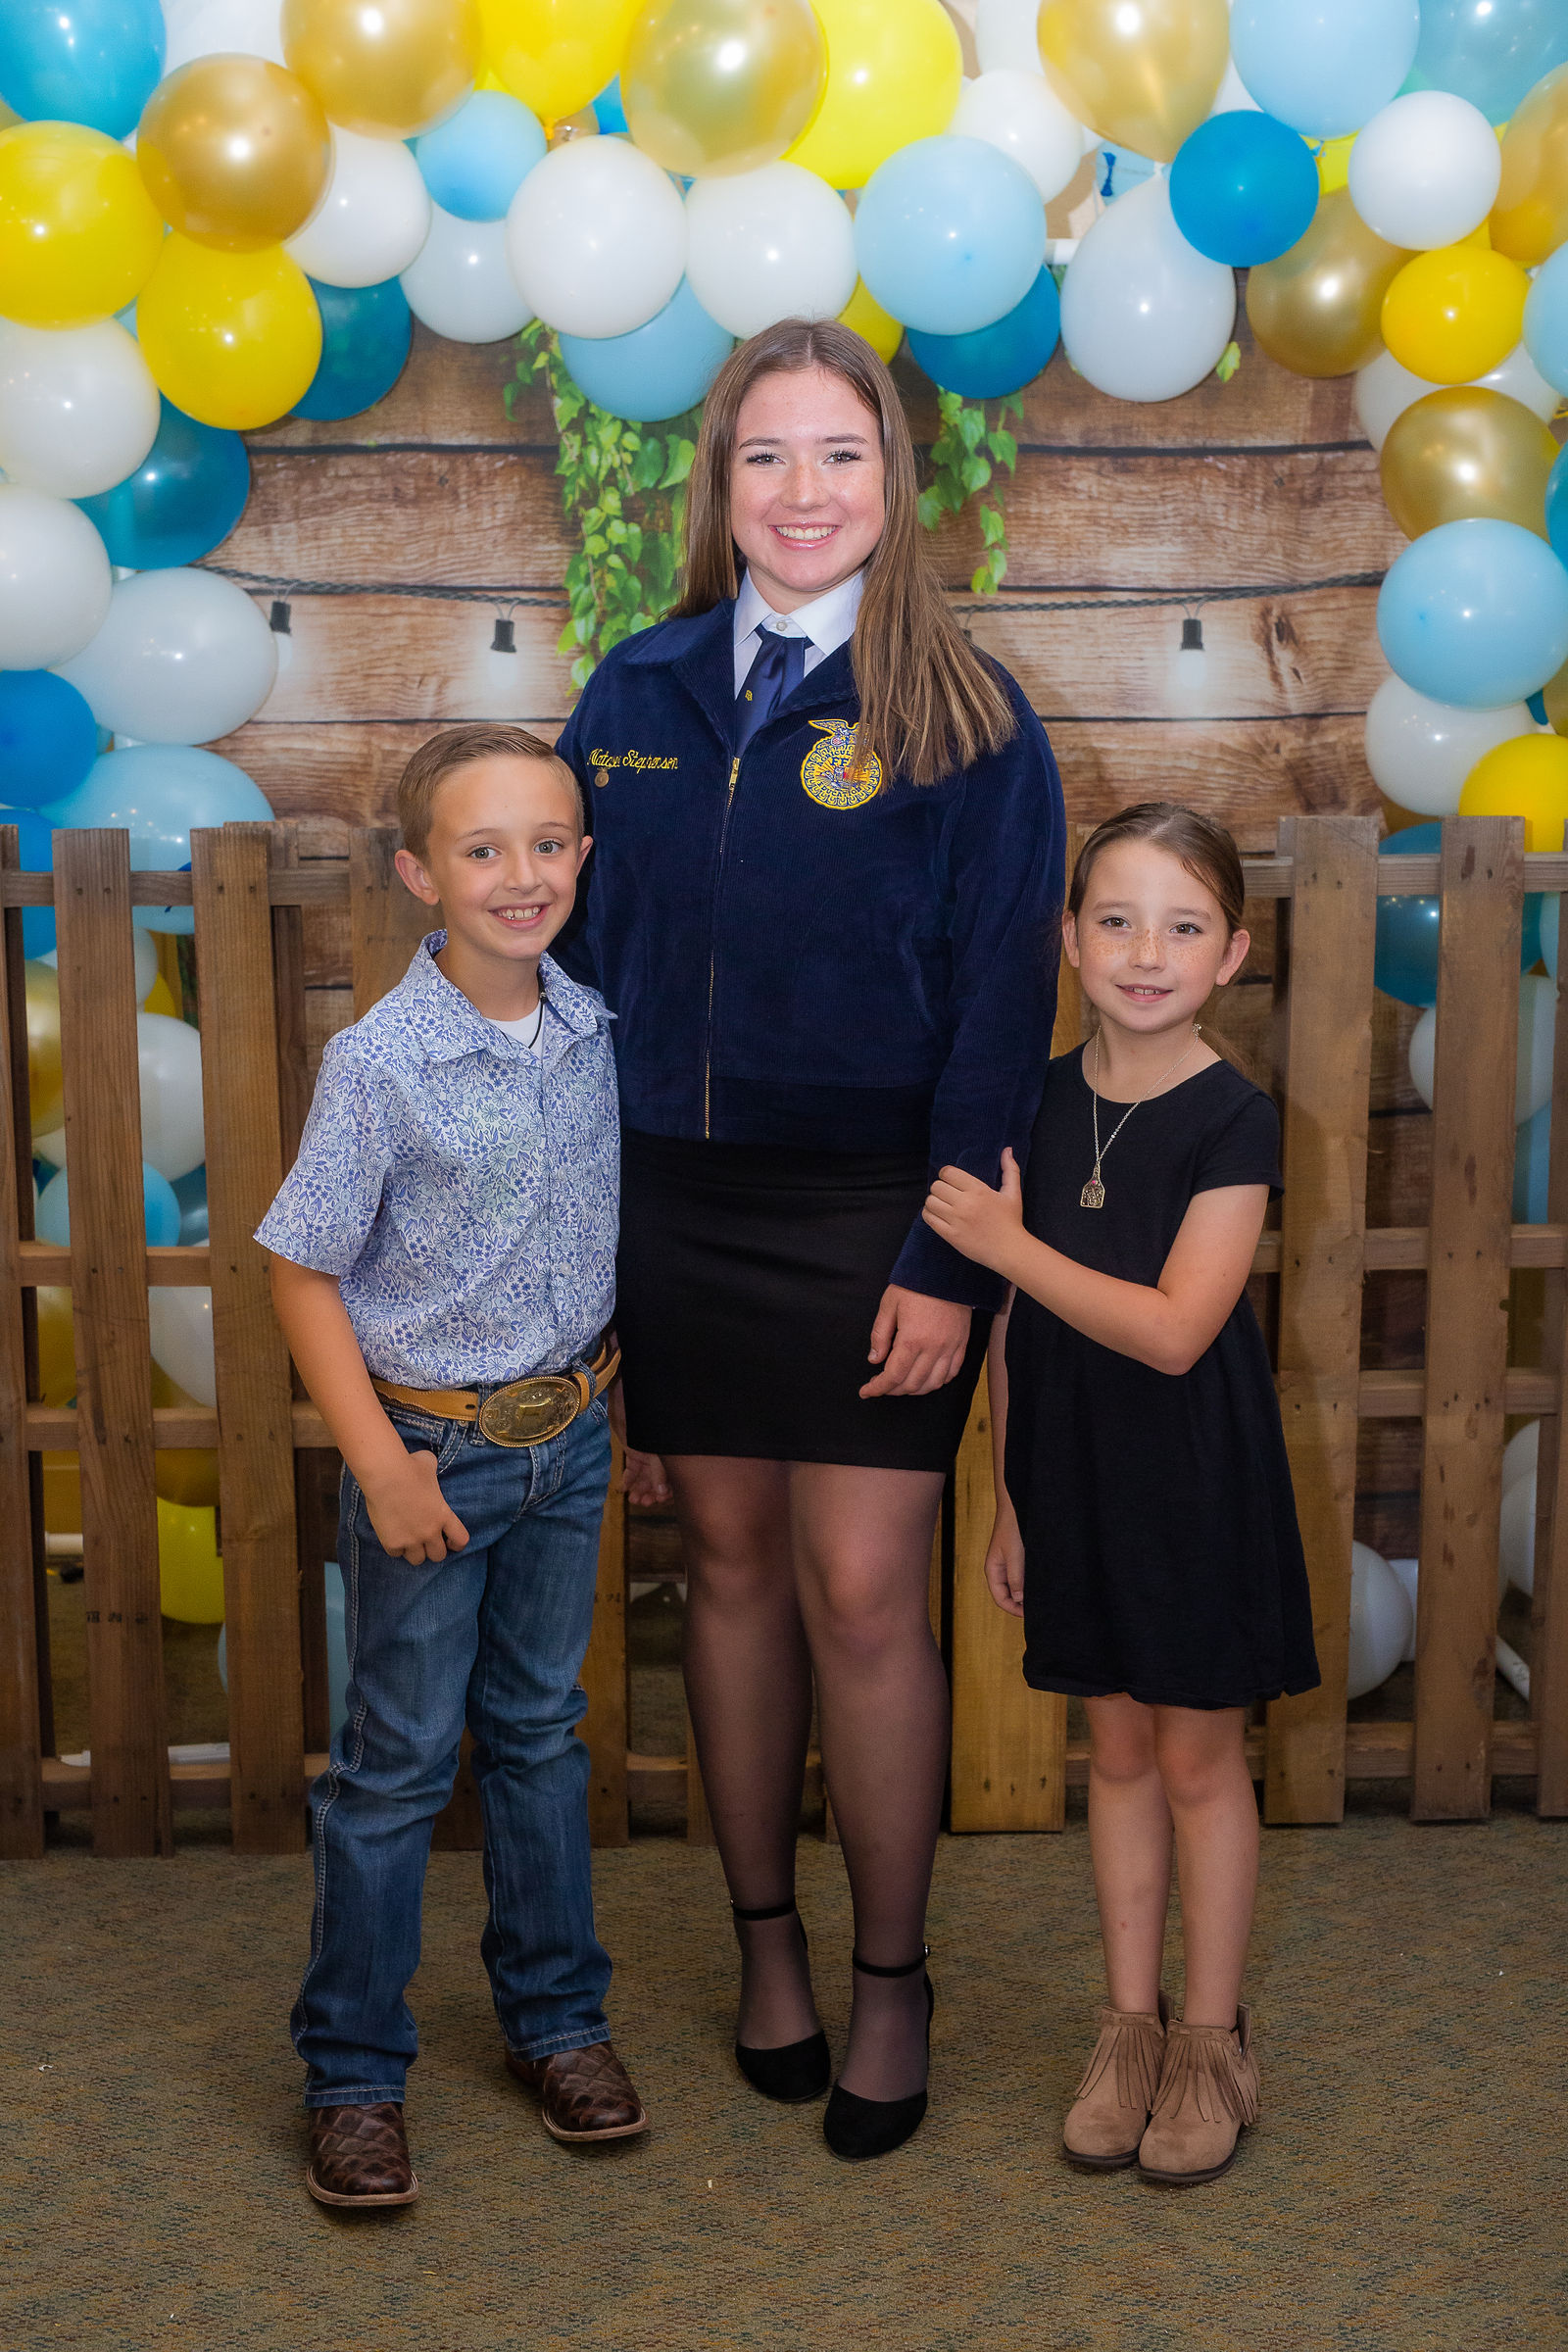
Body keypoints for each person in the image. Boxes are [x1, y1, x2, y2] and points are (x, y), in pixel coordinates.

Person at [554, 318, 1064, 2160]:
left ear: (893, 483)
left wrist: (949, 1262)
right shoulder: (637, 691)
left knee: (863, 1592)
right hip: (673, 1210)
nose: (800, 493)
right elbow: (566, 989)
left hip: (877, 1219)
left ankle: (889, 1977)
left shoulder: (974, 719)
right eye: (764, 457)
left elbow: (1005, 1009)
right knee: (733, 1576)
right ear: (721, 484)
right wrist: (580, 1267)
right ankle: (765, 1940)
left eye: (837, 455)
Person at [258, 723, 647, 2211]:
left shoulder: (596, 1033)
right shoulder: (380, 1065)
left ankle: (557, 2022)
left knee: (543, 1734)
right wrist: (385, 1466)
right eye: (482, 849)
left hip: (572, 1446)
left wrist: (623, 1414)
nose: (521, 874)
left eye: (549, 844)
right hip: (430, 1454)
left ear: (583, 861)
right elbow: (302, 1271)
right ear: (422, 872)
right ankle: (353, 2066)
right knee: (400, 1764)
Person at [922, 802, 1319, 2188]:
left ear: (1232, 954)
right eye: (1117, 919)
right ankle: (1131, 2030)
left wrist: (1005, 1244)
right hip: (1072, 1476)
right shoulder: (1033, 1097)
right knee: (1121, 1758)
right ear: (1071, 939)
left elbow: (1170, 1329)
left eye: (1184, 926)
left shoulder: (1236, 1120)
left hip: (1192, 1481)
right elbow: (1023, 1343)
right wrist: (1015, 1500)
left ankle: (1213, 2041)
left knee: (1201, 1762)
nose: (1148, 952)